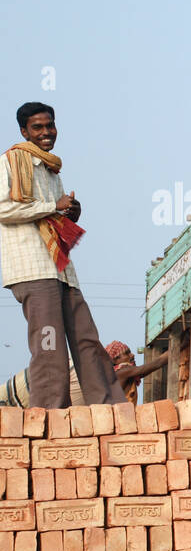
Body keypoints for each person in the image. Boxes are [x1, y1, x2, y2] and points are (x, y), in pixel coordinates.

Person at [0, 103, 124, 409]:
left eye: (50, 126)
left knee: (86, 339)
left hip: (61, 267)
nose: (46, 133)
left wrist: (70, 212)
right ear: (24, 132)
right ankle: (48, 416)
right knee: (49, 345)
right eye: (38, 128)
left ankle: (109, 409)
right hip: (31, 268)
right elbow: (3, 208)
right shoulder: (11, 162)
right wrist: (52, 206)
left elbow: (54, 212)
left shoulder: (51, 168)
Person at [0, 345, 167, 408]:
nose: (131, 356)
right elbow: (154, 365)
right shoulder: (120, 373)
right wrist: (176, 348)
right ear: (115, 360)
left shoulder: (108, 377)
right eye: (127, 353)